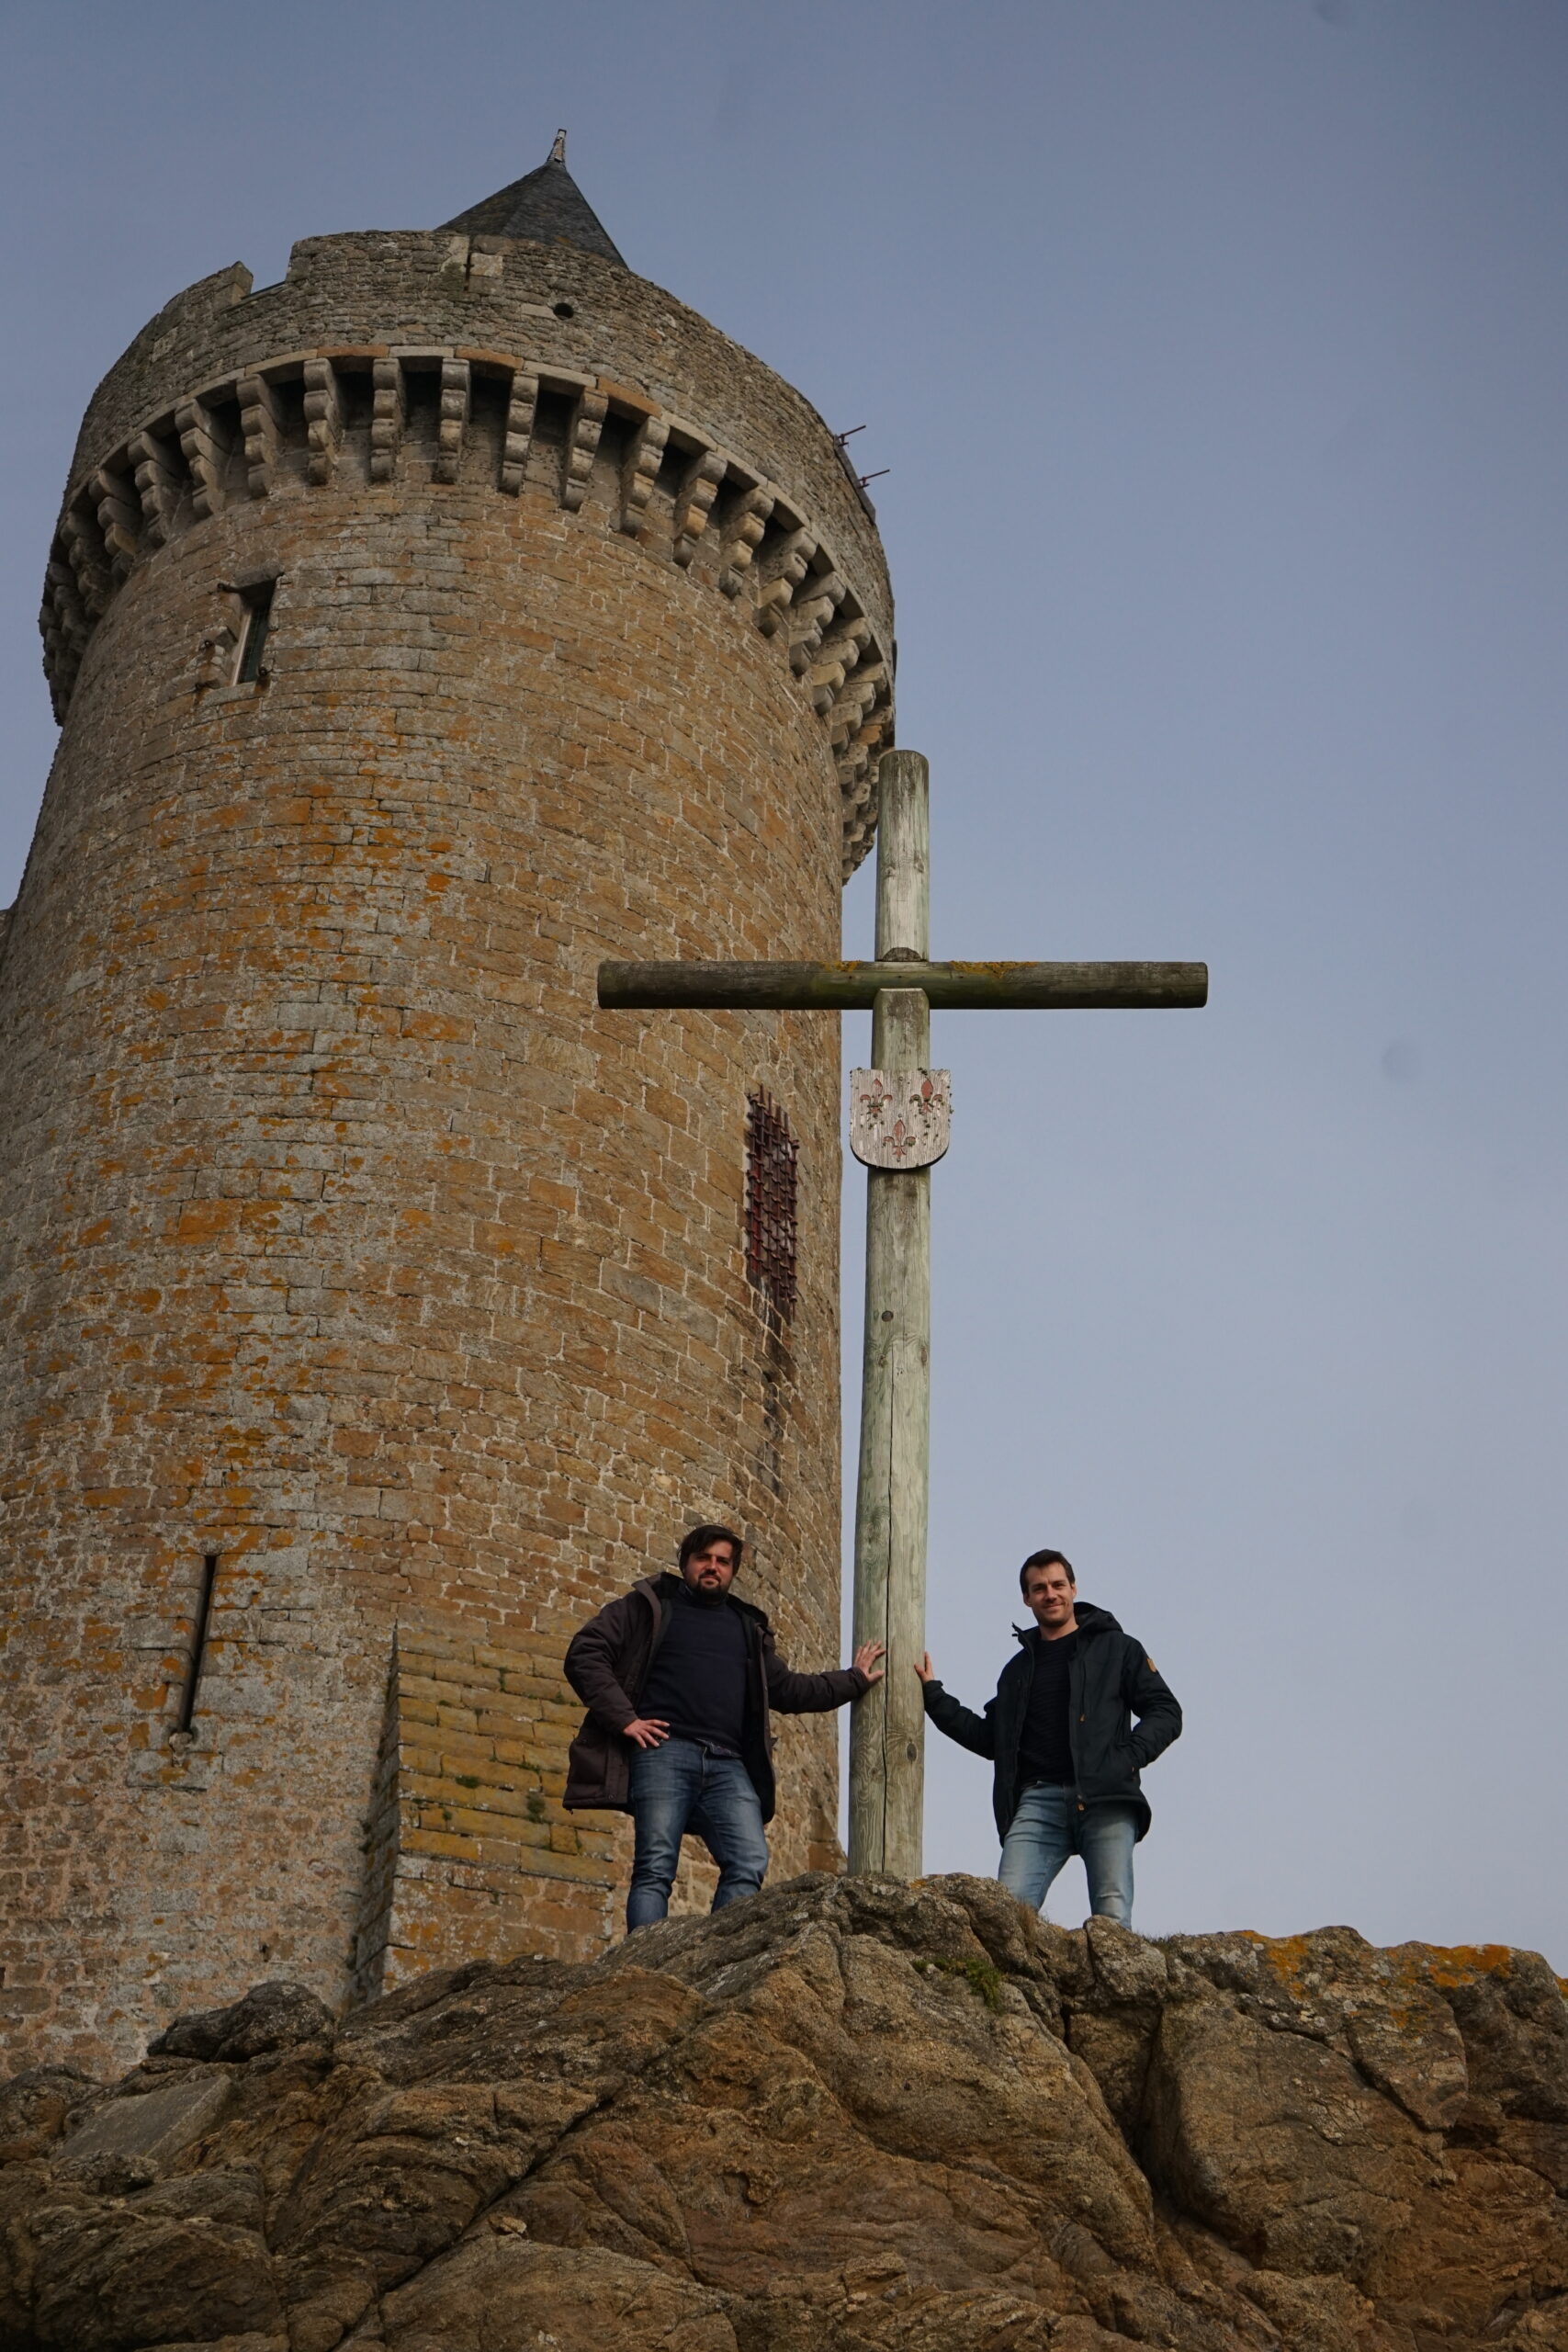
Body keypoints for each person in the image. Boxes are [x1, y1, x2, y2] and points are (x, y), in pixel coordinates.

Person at [564, 1523, 886, 1930]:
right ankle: (641, 1963)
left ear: (732, 1571)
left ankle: (714, 1953)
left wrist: (854, 1679)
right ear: (686, 1563)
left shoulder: (745, 1627)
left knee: (749, 1861)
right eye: (703, 1558)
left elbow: (790, 1690)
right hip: (664, 1750)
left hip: (729, 1765)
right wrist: (624, 1719)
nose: (712, 1567)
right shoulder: (649, 1606)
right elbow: (586, 1652)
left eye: (722, 1561)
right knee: (655, 1866)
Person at [917, 1548, 1180, 1929]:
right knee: (1005, 1915)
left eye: (1058, 1585)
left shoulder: (1118, 1649)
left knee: (1112, 1920)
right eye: (1039, 1588)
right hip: (1038, 1801)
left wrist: (1125, 1758)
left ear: (1074, 1588)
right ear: (1027, 1598)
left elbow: (1166, 1711)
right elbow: (990, 1739)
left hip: (1106, 1796)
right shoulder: (1017, 1671)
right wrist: (934, 1696)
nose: (1050, 1594)